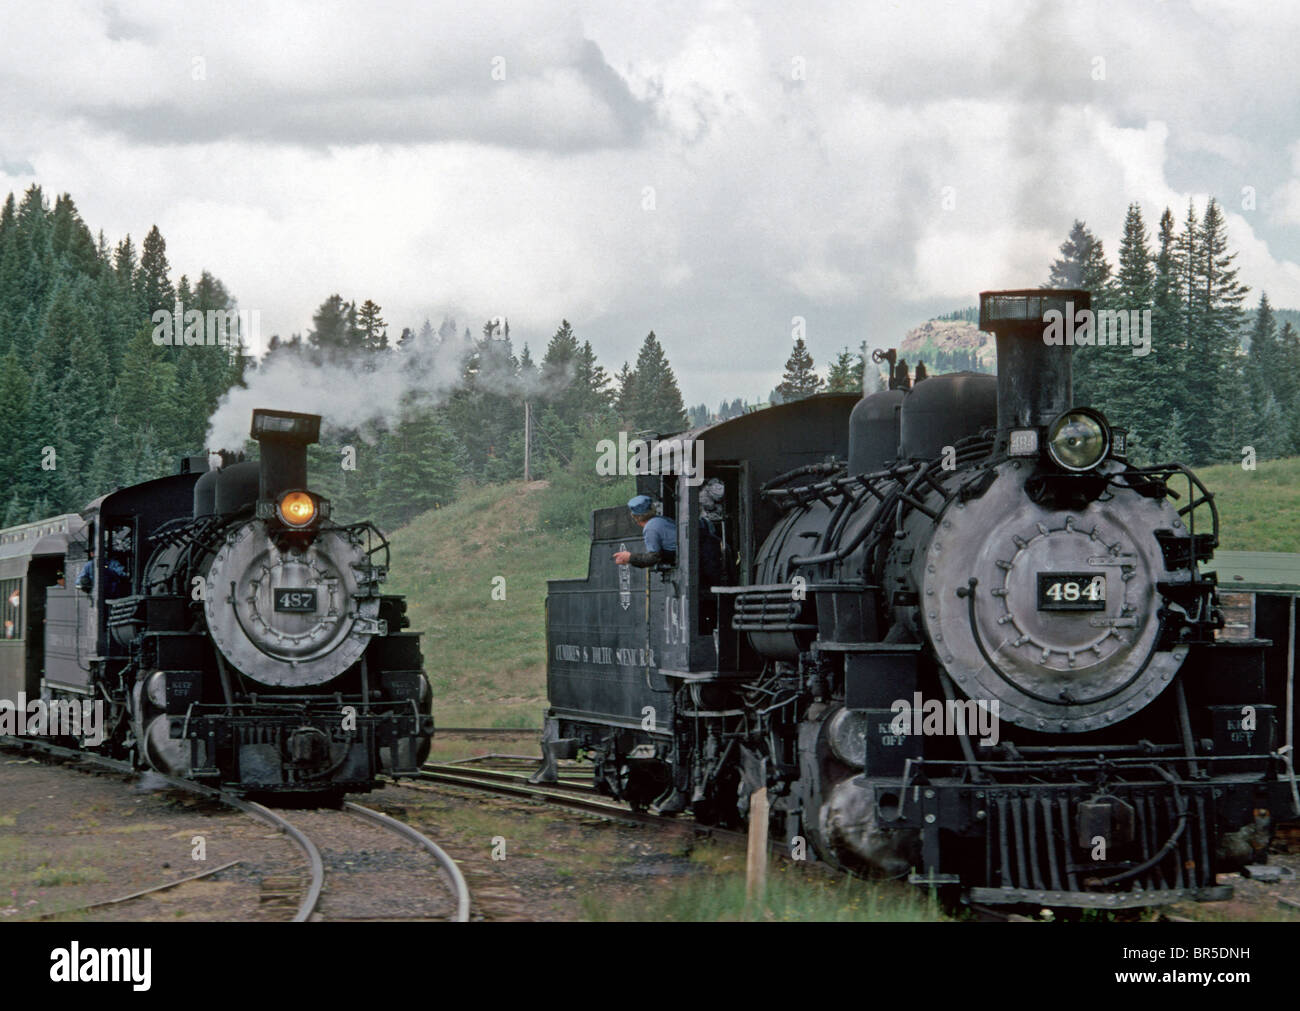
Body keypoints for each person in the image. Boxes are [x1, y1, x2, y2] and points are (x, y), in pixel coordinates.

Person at [613, 495, 677, 568]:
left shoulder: (650, 528)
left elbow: (653, 558)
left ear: (635, 517)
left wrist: (630, 557)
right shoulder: (662, 520)